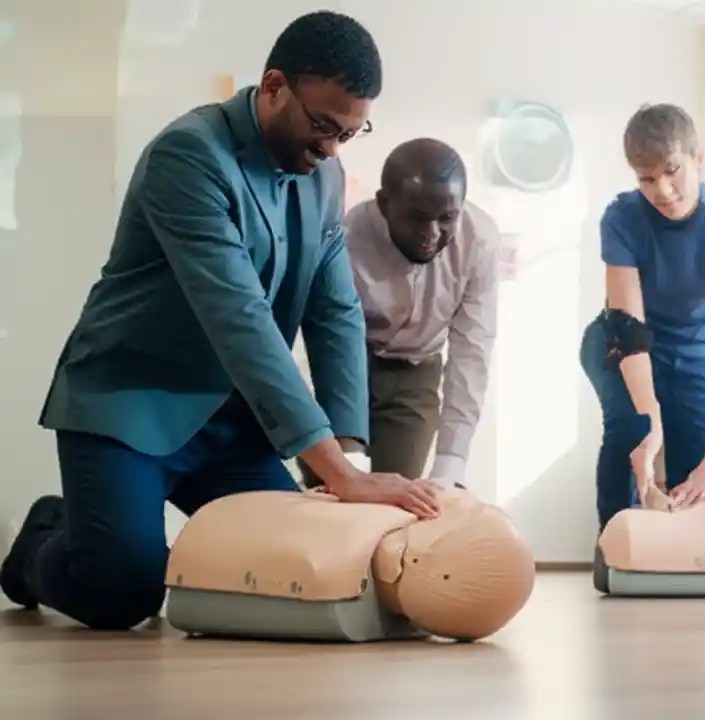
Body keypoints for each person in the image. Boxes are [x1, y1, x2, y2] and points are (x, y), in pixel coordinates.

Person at [0, 11, 439, 632]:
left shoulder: (326, 174)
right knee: (123, 591)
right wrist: (336, 476)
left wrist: (350, 459)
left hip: (231, 425)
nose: (333, 147)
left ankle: (113, 537)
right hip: (132, 406)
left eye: (351, 131)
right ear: (274, 86)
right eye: (322, 125)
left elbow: (334, 309)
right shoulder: (190, 156)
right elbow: (240, 320)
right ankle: (42, 541)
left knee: (300, 566)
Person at [580, 103, 705, 530]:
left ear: (699, 159)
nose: (662, 190)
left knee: (697, 474)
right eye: (646, 178)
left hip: (700, 351)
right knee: (632, 430)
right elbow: (629, 329)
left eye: (672, 170)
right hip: (621, 342)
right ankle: (614, 545)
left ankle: (683, 557)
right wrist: (651, 423)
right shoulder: (622, 218)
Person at [335, 138, 499, 486]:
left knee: (396, 490)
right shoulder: (347, 237)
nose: (431, 234)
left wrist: (450, 465)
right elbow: (335, 338)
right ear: (384, 203)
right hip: (349, 363)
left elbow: (472, 349)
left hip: (416, 371)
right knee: (339, 489)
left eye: (447, 218)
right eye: (416, 218)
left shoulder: (479, 241)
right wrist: (348, 460)